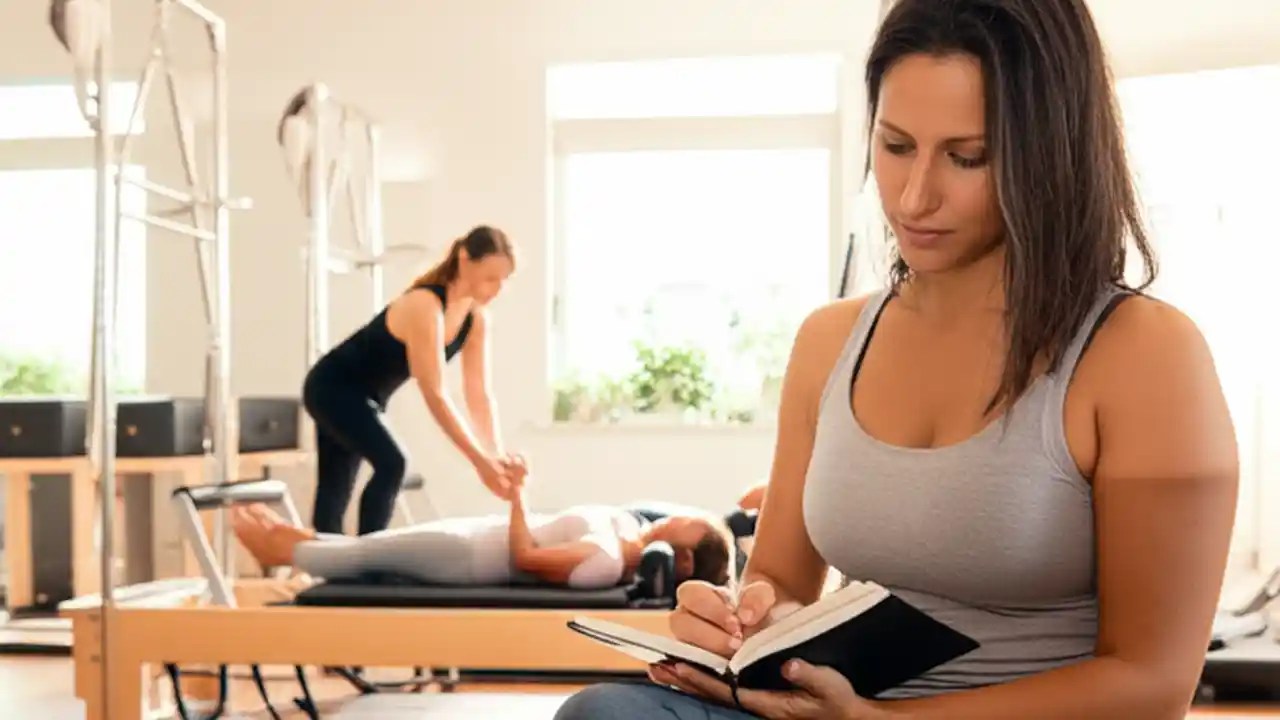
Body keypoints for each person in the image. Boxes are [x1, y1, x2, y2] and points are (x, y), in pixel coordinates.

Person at [555, 1, 1239, 718]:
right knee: (605, 713)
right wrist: (738, 621)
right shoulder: (829, 341)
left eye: (967, 157)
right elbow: (784, 581)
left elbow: (1152, 686)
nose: (915, 197)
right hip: (830, 713)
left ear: (1050, 152)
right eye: (896, 145)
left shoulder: (1146, 354)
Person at [302, 225, 522, 536]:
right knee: (392, 464)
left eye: (503, 280)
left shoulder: (475, 319)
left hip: (366, 399)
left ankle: (334, 576)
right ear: (464, 259)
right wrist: (478, 461)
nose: (497, 289)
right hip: (330, 387)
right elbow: (435, 393)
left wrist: (495, 454)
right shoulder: (425, 306)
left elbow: (479, 394)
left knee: (337, 485)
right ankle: (370, 568)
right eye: (490, 278)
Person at [230, 469, 735, 590]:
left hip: (466, 557)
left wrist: (517, 493)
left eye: (676, 526)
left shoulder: (604, 562)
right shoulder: (624, 529)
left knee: (358, 558)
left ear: (681, 560)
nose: (664, 520)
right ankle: (284, 544)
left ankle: (280, 551)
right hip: (471, 533)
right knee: (366, 547)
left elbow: (527, 557)